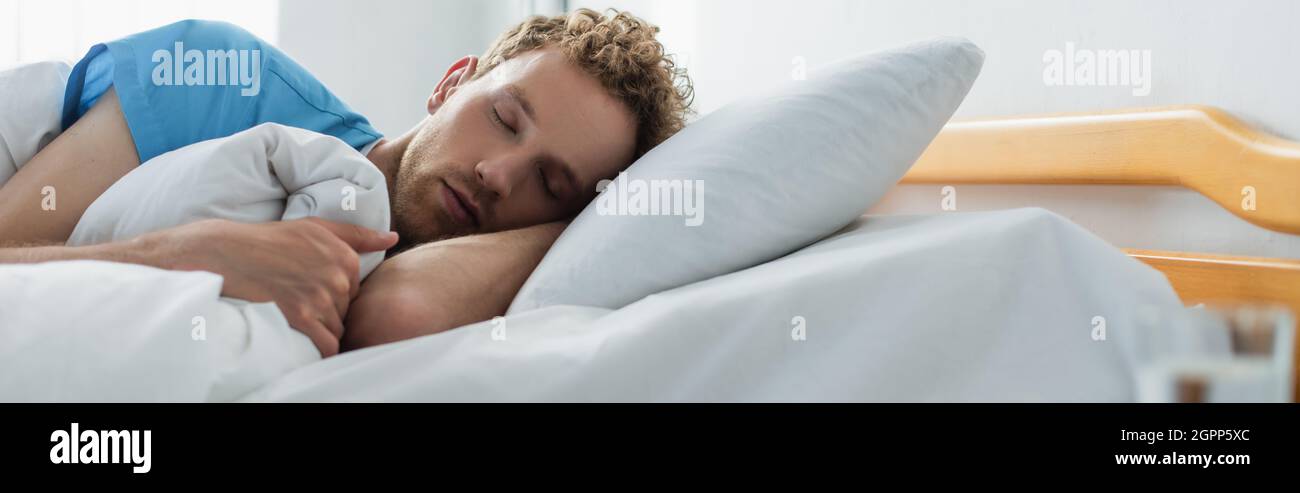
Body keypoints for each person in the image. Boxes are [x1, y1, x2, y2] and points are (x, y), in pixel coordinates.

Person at [0, 9, 693, 356]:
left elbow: (397, 315)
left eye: (551, 182)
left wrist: (575, 225)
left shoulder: (472, 279)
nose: (498, 174)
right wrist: (190, 256)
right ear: (452, 83)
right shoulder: (223, 78)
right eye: (505, 118)